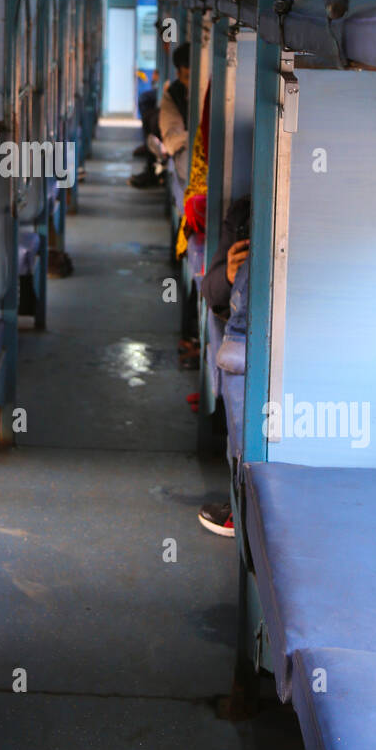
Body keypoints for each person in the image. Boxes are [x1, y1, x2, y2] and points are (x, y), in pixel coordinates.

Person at [197, 194, 251, 538]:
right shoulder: (245, 214)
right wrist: (230, 275)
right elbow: (211, 289)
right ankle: (244, 500)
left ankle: (246, 503)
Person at [129, 43, 190, 188]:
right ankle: (154, 168)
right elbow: (172, 140)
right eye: (187, 76)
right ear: (179, 75)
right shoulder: (175, 93)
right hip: (184, 148)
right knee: (151, 116)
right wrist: (196, 137)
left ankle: (155, 165)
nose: (192, 82)